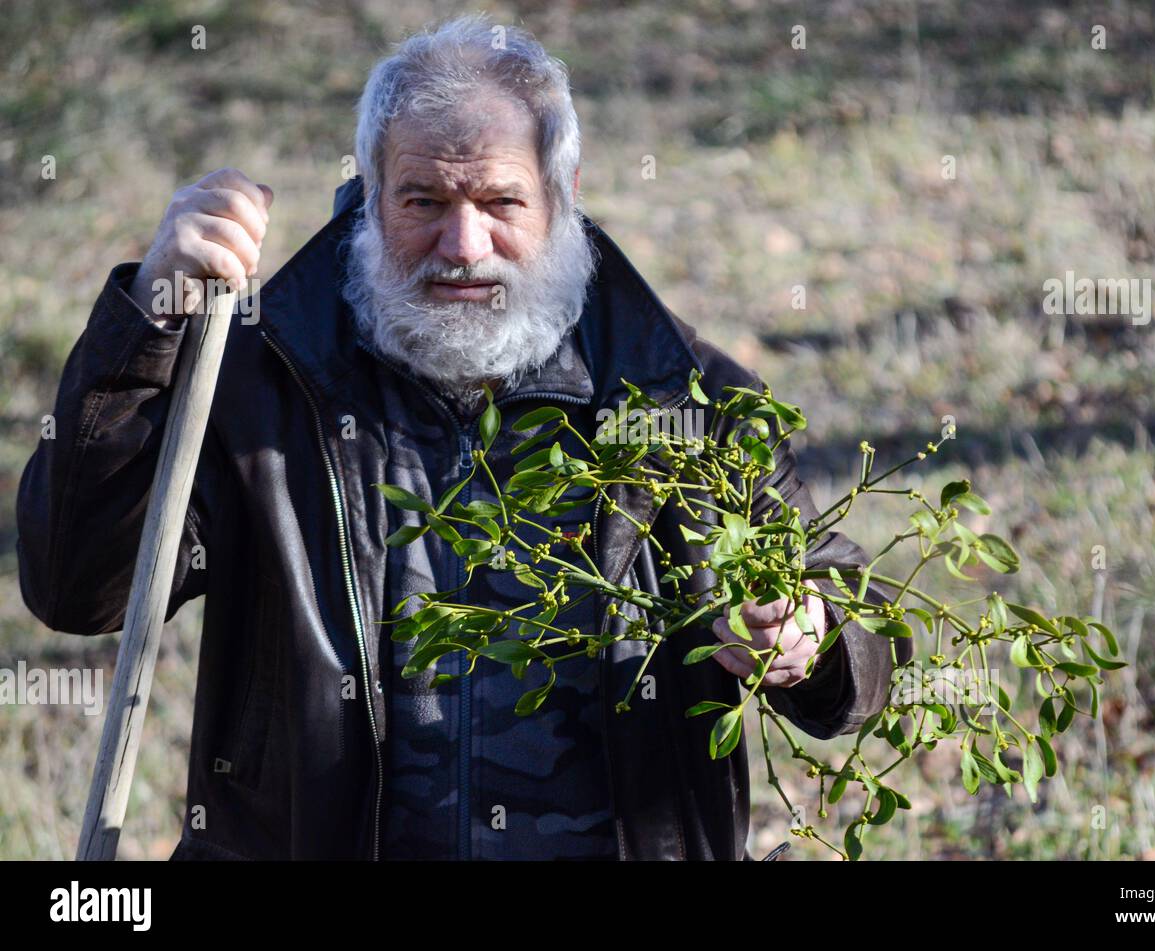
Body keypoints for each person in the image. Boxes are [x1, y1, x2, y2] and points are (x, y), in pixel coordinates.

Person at [16, 15, 909, 860]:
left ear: (561, 199)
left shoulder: (685, 396)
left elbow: (863, 638)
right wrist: (150, 322)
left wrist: (815, 636)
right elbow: (79, 587)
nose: (463, 242)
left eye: (499, 200)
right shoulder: (260, 381)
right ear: (370, 196)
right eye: (424, 199)